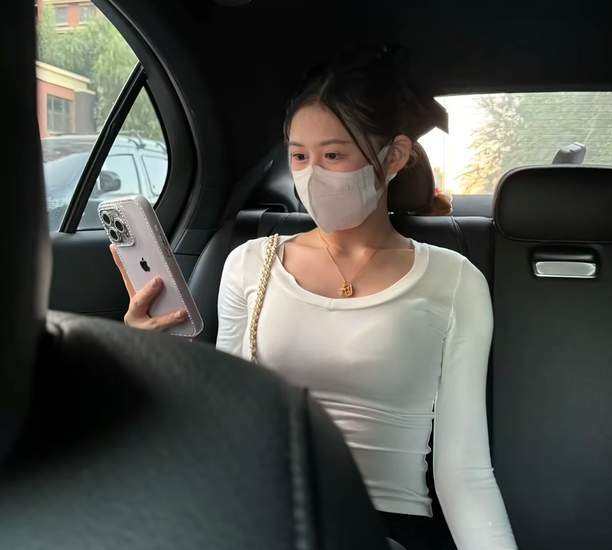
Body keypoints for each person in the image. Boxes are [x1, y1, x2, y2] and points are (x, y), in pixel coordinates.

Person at [110, 45, 517, 550]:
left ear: (393, 156)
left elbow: (465, 473)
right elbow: (227, 426)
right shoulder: (249, 264)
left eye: (333, 156)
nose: (311, 175)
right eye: (299, 156)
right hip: (264, 514)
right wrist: (153, 360)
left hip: (382, 527)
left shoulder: (454, 281)